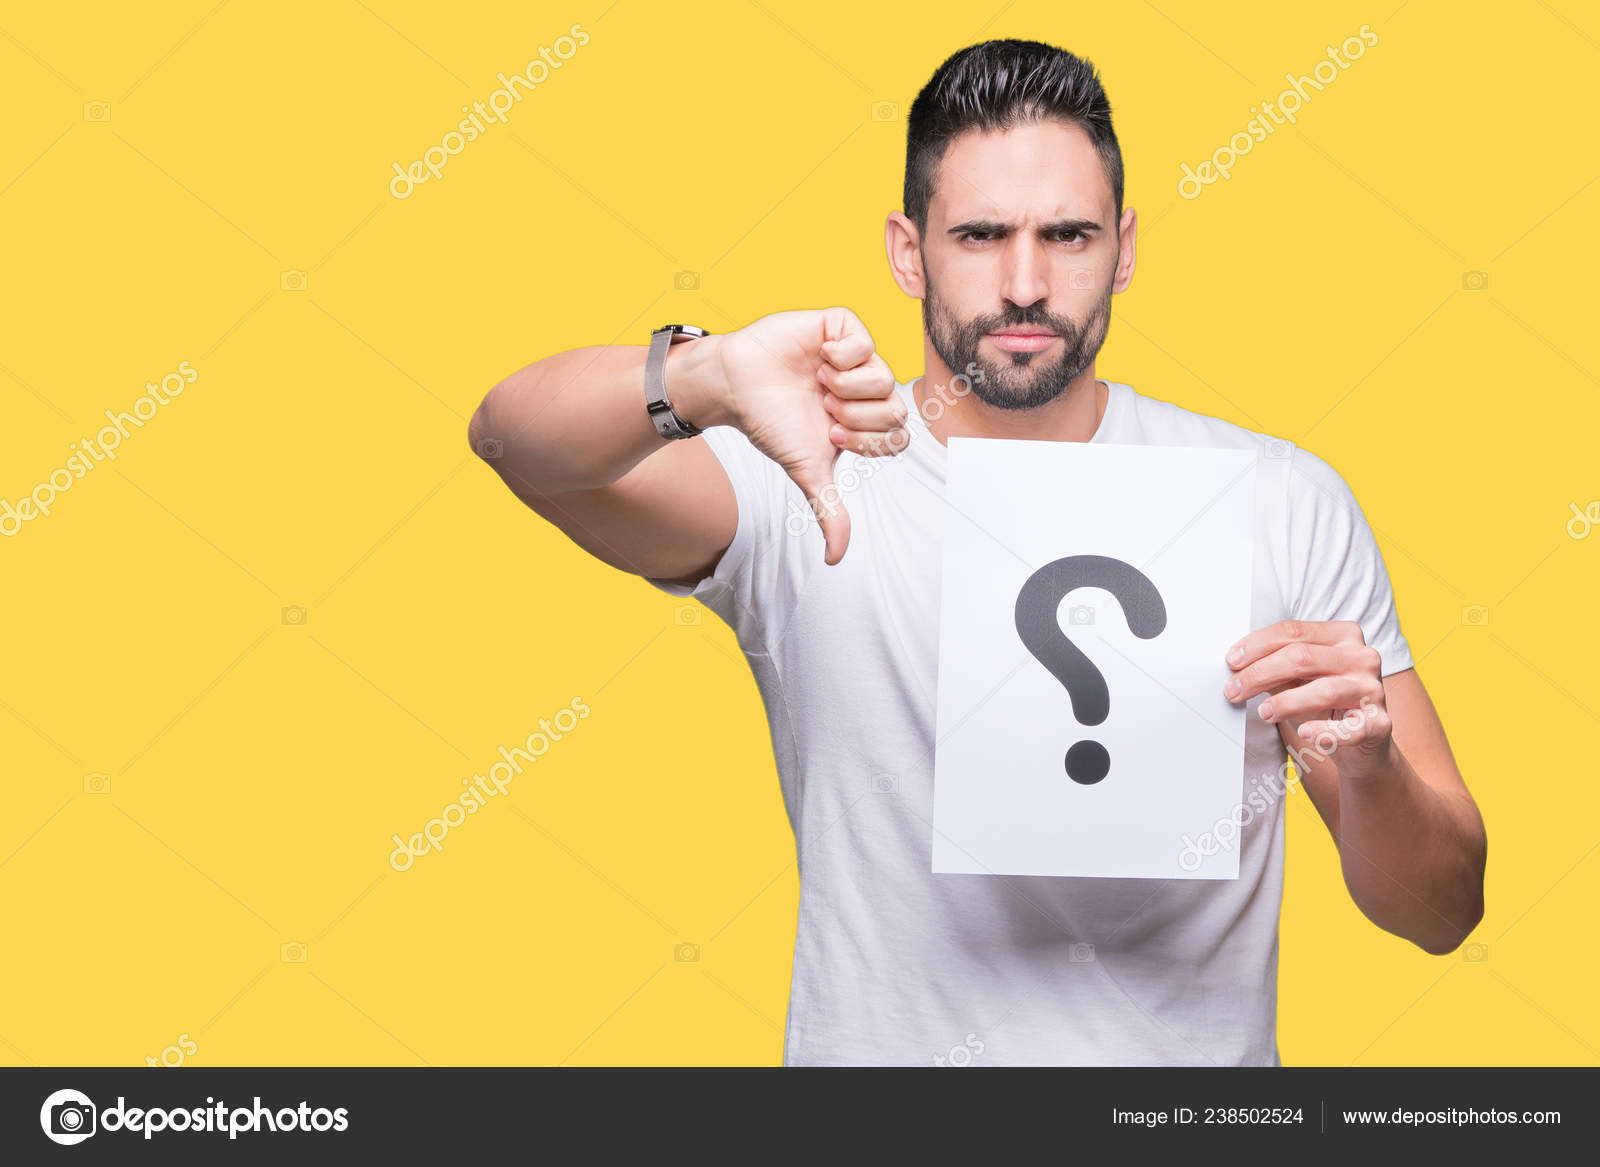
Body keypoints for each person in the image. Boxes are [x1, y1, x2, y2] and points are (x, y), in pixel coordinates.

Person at [468, 39, 1486, 1066]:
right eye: (981, 234)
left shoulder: (1277, 502)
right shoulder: (810, 471)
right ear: (908, 251)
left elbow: (1441, 913)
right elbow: (516, 441)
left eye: (1069, 234)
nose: (1026, 282)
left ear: (1124, 248)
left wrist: (1371, 764)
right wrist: (705, 374)